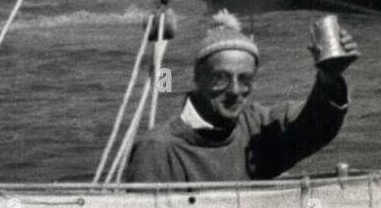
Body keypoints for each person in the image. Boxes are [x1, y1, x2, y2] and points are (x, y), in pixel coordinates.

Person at [124, 11, 356, 184]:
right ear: (197, 78)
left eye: (245, 80)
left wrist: (329, 77)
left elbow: (313, 126)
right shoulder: (158, 150)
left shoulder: (257, 131)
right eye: (221, 78)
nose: (235, 91)